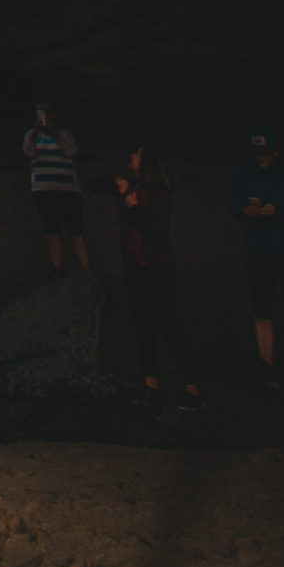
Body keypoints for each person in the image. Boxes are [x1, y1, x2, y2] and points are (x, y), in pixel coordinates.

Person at [110, 146, 199, 407]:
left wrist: (130, 200)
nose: (131, 160)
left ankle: (192, 387)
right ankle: (151, 384)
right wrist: (126, 196)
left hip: (157, 268)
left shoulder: (158, 193)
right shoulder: (139, 189)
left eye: (135, 156)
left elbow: (151, 228)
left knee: (169, 325)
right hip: (136, 267)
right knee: (143, 325)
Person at [231, 129, 284, 376]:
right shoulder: (243, 174)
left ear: (275, 152)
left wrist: (275, 209)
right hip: (259, 248)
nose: (261, 158)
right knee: (262, 307)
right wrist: (246, 211)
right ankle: (266, 364)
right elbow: (235, 205)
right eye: (257, 153)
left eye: (265, 153)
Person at [23, 102, 88, 272]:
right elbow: (28, 152)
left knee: (75, 230)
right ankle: (57, 268)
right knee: (52, 230)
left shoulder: (65, 134)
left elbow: (71, 152)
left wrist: (56, 135)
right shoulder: (31, 135)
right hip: (43, 188)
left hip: (68, 188)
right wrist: (36, 134)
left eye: (49, 114)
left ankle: (86, 267)